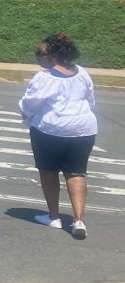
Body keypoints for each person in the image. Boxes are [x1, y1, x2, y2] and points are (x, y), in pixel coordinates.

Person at [20, 33, 98, 239]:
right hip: (84, 130)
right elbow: (90, 100)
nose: (40, 57)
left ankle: (53, 217)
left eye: (42, 53)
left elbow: (29, 105)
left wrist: (25, 114)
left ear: (54, 55)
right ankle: (79, 220)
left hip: (50, 130)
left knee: (48, 171)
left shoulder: (45, 77)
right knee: (76, 173)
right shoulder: (82, 72)